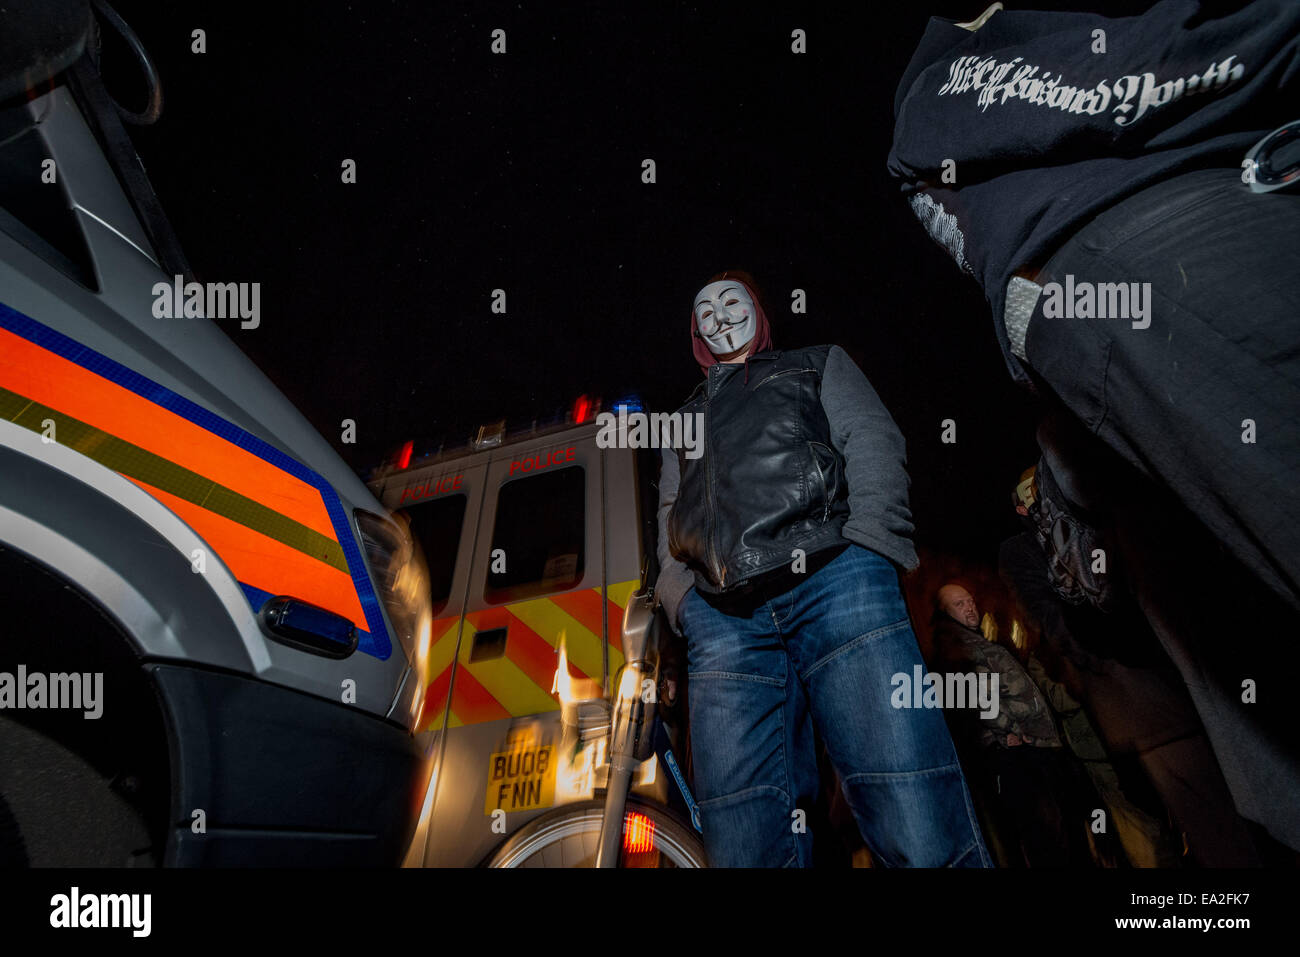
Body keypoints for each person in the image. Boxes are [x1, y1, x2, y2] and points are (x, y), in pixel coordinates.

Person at [887, 0, 1300, 614]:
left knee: (1227, 599)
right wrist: (1265, 36)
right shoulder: (949, 74)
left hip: (1123, 270)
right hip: (1137, 245)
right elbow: (1108, 91)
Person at [653, 269, 990, 868]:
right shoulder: (681, 420)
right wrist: (684, 600)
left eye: (732, 301)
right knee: (741, 829)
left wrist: (870, 546)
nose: (720, 316)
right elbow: (667, 514)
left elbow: (871, 439)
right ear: (695, 335)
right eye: (705, 312)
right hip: (726, 619)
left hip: (836, 580)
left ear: (758, 310)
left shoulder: (816, 363)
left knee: (903, 790)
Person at [931, 582, 1092, 867]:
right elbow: (978, 699)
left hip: (1034, 749)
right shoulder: (956, 646)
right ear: (944, 612)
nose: (970, 606)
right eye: (959, 604)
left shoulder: (975, 640)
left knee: (1059, 832)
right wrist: (1013, 733)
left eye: (970, 600)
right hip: (1021, 754)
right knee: (1048, 838)